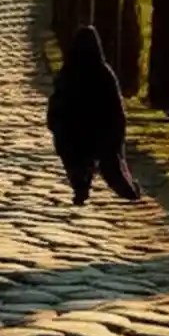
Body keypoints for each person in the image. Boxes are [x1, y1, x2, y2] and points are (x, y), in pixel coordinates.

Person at [47, 25, 143, 206]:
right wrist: (117, 132)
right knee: (111, 163)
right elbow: (116, 107)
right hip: (99, 134)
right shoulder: (104, 73)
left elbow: (56, 102)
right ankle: (128, 190)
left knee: (74, 156)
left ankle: (81, 184)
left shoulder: (68, 72)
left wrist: (54, 124)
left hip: (74, 134)